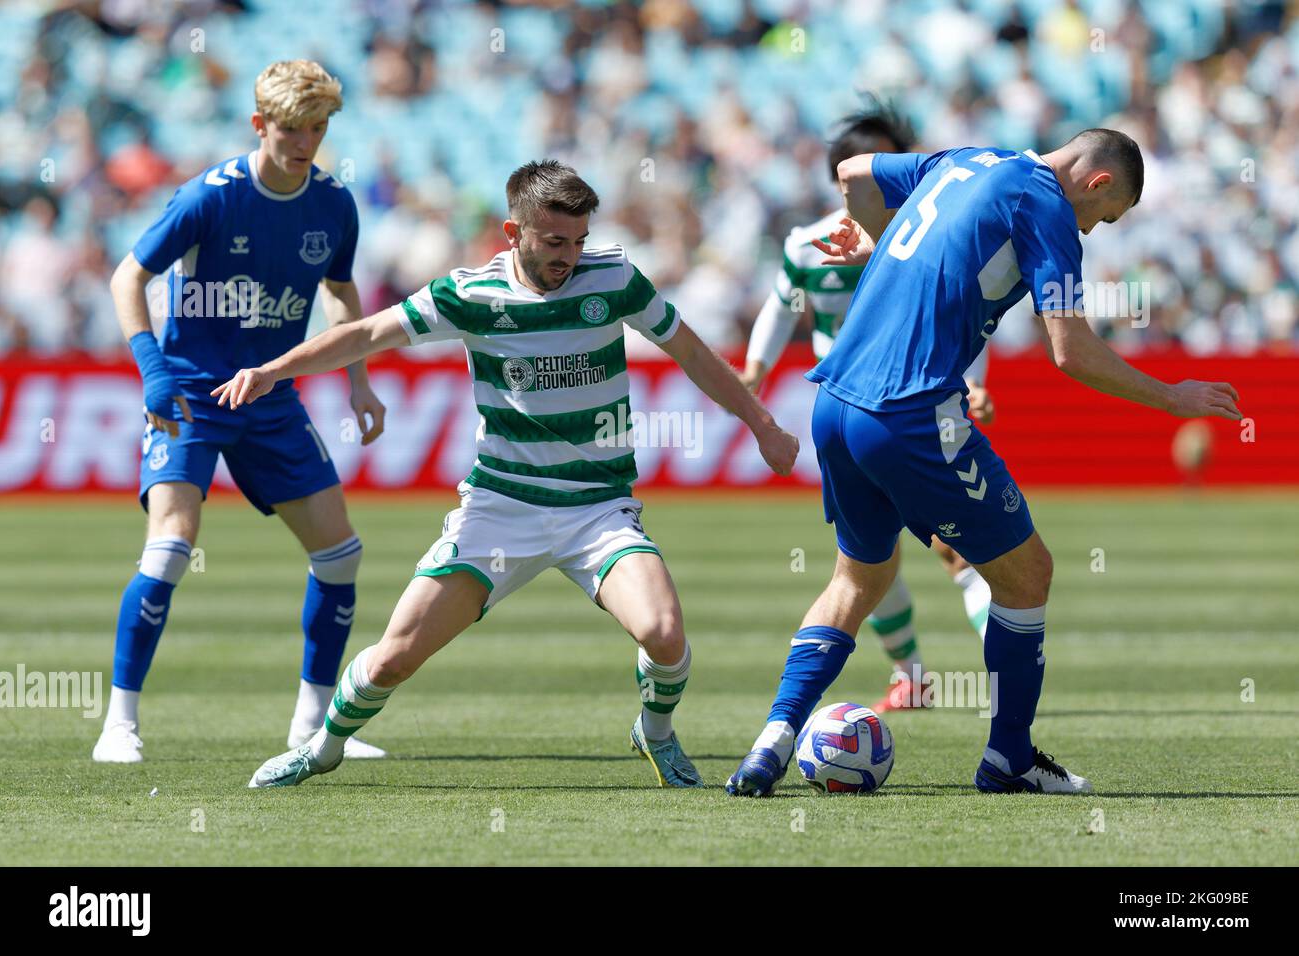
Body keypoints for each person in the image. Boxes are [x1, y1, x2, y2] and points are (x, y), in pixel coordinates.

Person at [213, 159, 801, 789]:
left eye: (578, 241)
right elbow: (364, 334)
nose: (569, 257)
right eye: (553, 242)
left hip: (596, 508)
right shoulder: (472, 295)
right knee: (392, 659)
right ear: (512, 231)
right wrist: (275, 371)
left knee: (663, 633)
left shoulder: (615, 278)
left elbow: (689, 351)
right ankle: (322, 748)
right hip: (500, 508)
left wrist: (762, 423)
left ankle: (654, 732)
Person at [727, 129, 1240, 796]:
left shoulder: (971, 158)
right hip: (910, 412)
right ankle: (1009, 760)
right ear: (1098, 183)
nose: (1095, 228)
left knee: (858, 582)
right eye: (1103, 217)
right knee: (1028, 575)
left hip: (834, 404)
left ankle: (772, 740)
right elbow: (1071, 350)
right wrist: (1170, 396)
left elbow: (853, 173)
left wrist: (875, 234)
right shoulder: (1049, 209)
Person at [93, 61, 389, 763]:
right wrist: (152, 369)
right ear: (260, 124)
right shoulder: (209, 197)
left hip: (269, 395)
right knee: (171, 545)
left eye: (317, 128)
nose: (305, 141)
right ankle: (119, 725)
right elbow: (128, 276)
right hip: (192, 394)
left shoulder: (334, 204)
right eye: (291, 128)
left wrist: (358, 378)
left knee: (341, 553)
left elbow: (342, 294)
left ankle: (312, 727)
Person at [741, 98, 993, 713]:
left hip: (921, 403)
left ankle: (1001, 675)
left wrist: (975, 383)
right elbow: (779, 310)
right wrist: (753, 372)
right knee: (872, 559)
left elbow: (963, 315)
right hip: (850, 416)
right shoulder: (809, 245)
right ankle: (913, 676)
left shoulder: (928, 242)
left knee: (955, 548)